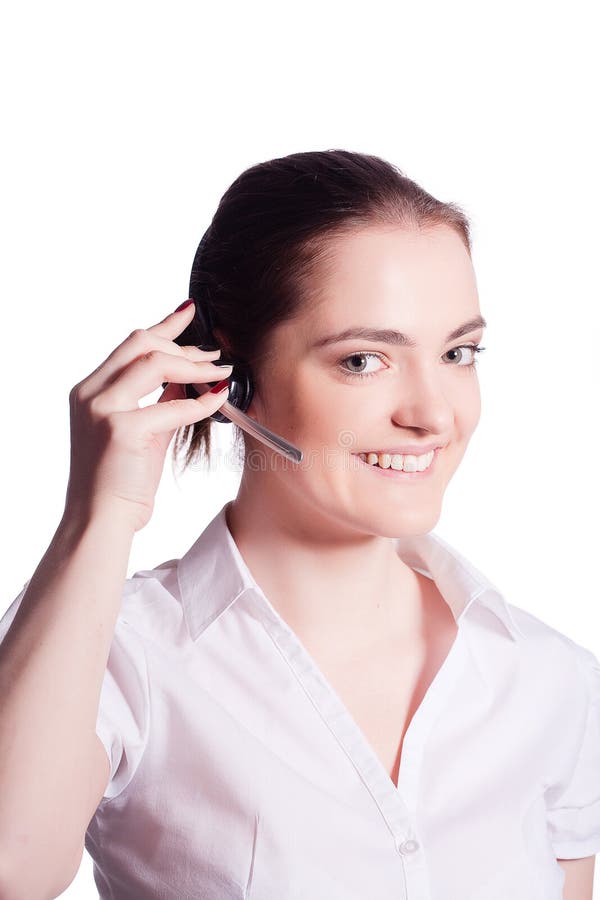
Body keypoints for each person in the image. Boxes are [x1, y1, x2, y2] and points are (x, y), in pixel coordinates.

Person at [0, 150, 597, 900]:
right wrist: (100, 516)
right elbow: (12, 867)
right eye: (363, 361)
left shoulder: (549, 680)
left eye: (458, 352)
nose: (433, 415)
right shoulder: (115, 651)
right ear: (230, 378)